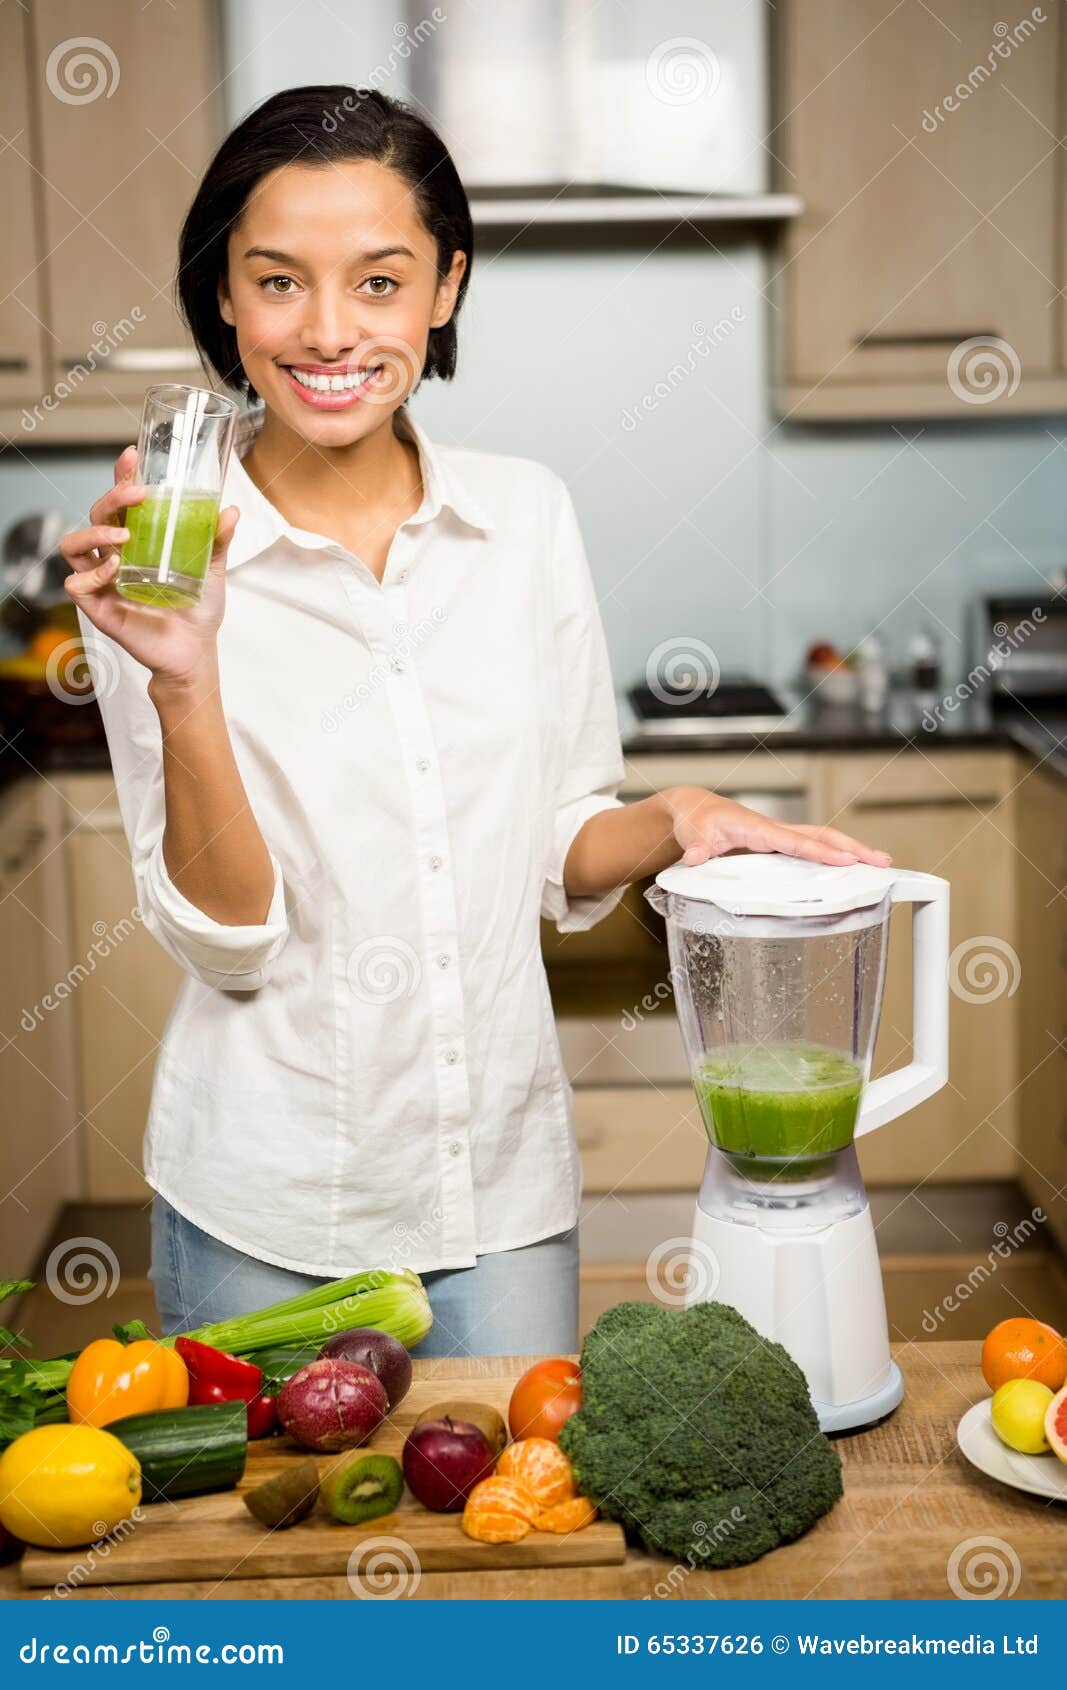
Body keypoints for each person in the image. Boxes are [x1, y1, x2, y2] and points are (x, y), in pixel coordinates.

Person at [61, 86, 889, 1356]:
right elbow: (229, 945)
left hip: (496, 1191)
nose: (329, 330)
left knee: (516, 1543)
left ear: (444, 288)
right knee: (270, 1556)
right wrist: (184, 678)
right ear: (222, 295)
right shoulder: (164, 555)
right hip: (267, 1202)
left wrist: (674, 817)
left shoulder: (524, 519)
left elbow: (558, 839)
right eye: (278, 282)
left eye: (379, 282)